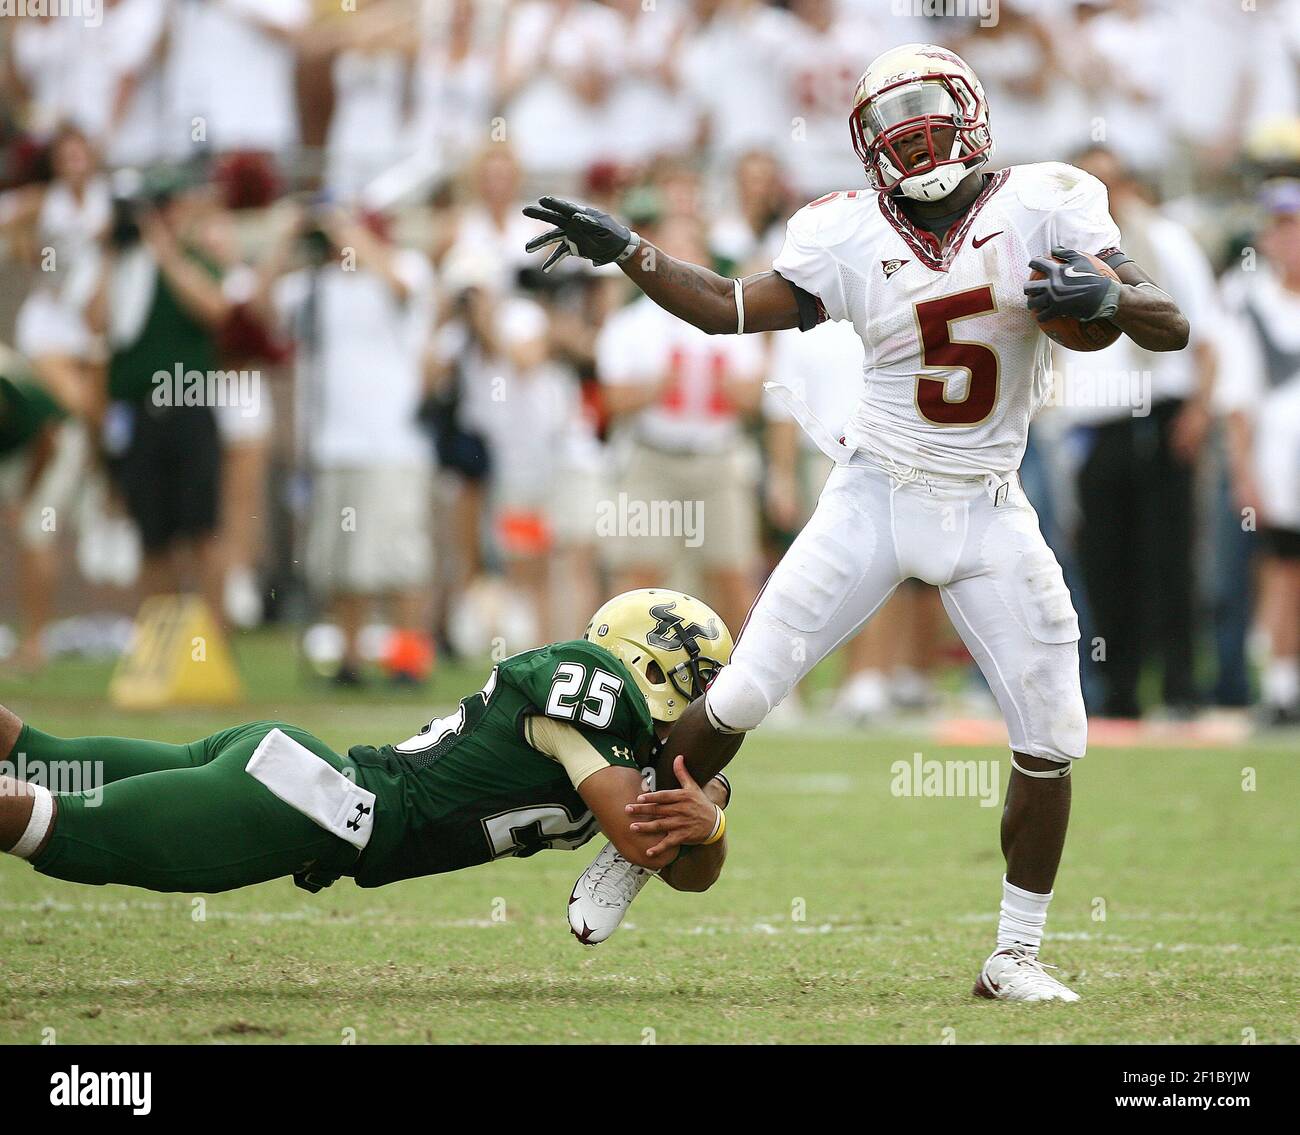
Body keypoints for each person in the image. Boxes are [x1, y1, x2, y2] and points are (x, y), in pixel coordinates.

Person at [524, 42, 1190, 1001]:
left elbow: (1168, 323)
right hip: (875, 490)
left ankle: (1014, 955)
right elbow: (724, 309)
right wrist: (631, 247)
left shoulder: (1048, 199)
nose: (913, 131)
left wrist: (1114, 297)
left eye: (928, 106)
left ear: (972, 108)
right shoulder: (841, 230)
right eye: (890, 117)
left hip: (990, 504)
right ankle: (640, 841)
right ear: (864, 146)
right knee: (746, 690)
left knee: (1053, 734)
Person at [0, 590, 734, 917]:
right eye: (707, 695)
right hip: (318, 804)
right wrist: (703, 811)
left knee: (40, 754)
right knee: (67, 827)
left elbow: (689, 875)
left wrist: (710, 826)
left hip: (302, 777)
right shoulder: (588, 687)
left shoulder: (625, 750)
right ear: (660, 670)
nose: (709, 719)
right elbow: (642, 839)